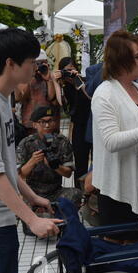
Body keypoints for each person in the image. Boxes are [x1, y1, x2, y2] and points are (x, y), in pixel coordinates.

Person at [0, 28, 62, 273]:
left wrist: (32, 197)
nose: (36, 67)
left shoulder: (1, 98)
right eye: (32, 62)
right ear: (11, 63)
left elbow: (6, 163)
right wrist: (31, 219)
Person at [91, 30, 138, 243]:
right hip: (117, 186)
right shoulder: (105, 94)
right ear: (121, 59)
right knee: (120, 250)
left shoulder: (137, 88)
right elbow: (111, 141)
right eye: (137, 56)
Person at [16, 106, 82, 217]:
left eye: (50, 121)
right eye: (42, 122)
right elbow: (20, 175)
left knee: (76, 194)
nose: (47, 125)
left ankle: (57, 217)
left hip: (56, 191)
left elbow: (68, 173)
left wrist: (56, 166)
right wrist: (32, 161)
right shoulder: (26, 143)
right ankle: (44, 215)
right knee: (22, 202)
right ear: (34, 124)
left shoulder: (62, 141)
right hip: (33, 193)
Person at [58, 57, 92, 188]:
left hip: (90, 123)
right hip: (78, 126)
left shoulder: (83, 82)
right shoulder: (63, 87)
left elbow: (88, 97)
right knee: (80, 163)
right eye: (66, 70)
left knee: (95, 161)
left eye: (72, 69)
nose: (69, 72)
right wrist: (58, 83)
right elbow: (63, 105)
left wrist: (77, 81)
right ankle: (79, 192)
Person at [15, 49, 62, 135]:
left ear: (47, 63)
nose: (38, 66)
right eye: (36, 63)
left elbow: (52, 98)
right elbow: (20, 98)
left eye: (42, 63)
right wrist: (31, 75)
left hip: (49, 125)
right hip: (30, 126)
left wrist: (48, 80)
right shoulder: (25, 77)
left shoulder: (53, 77)